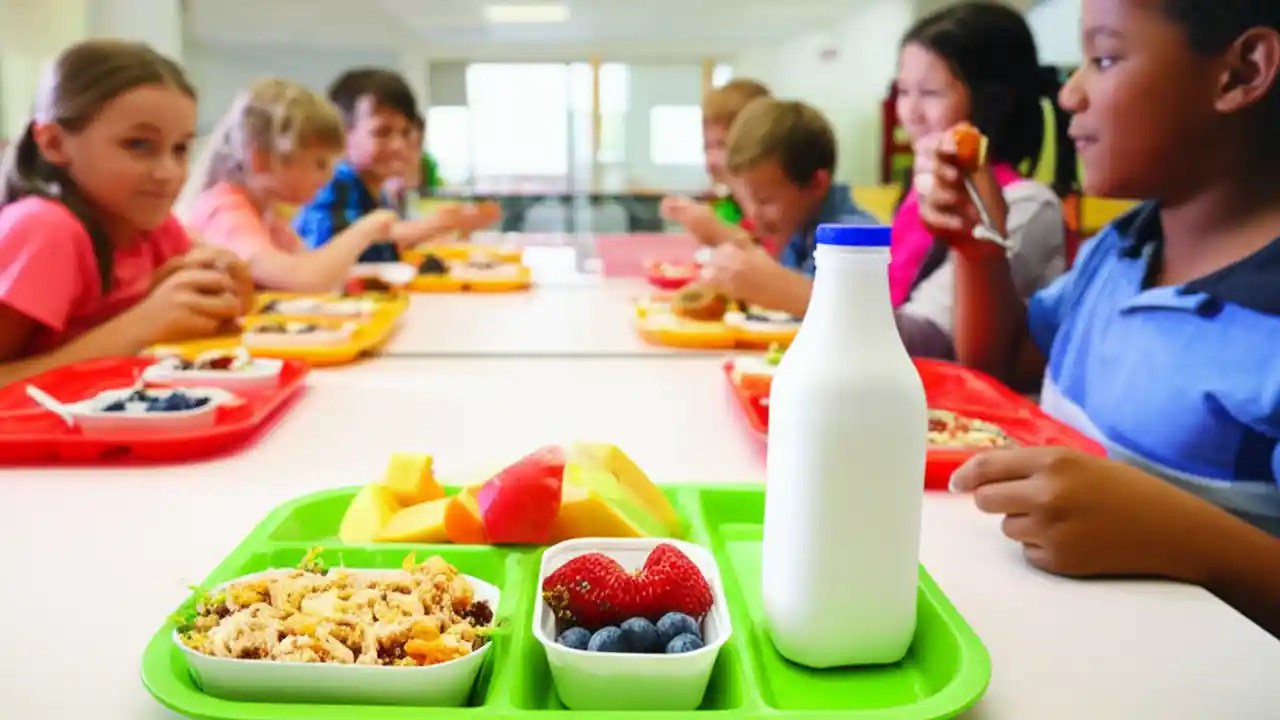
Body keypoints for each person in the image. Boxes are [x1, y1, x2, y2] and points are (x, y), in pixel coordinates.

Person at [928, 0, 1280, 637]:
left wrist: (1178, 533)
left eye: (1106, 58)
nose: (1068, 94)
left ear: (1240, 73)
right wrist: (979, 252)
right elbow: (1000, 368)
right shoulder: (1120, 249)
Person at [0, 40, 251, 388]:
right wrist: (140, 323)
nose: (168, 172)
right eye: (138, 145)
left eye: (180, 149)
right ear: (54, 144)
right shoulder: (45, 228)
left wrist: (217, 294)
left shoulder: (153, 227)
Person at [891, 1, 1074, 357]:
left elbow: (932, 340)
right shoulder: (918, 195)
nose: (910, 114)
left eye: (930, 94)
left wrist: (787, 291)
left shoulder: (1026, 206)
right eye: (902, 91)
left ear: (991, 103)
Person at [186, 78, 409, 292]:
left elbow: (314, 266)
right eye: (320, 163)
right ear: (261, 159)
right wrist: (364, 231)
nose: (329, 176)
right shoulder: (225, 212)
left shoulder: (267, 215)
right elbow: (304, 280)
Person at [698, 99, 878, 311]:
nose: (754, 214)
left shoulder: (854, 239)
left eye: (765, 200)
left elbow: (854, 313)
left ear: (817, 184)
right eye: (748, 200)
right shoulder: (799, 231)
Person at [291, 68, 468, 262]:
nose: (398, 145)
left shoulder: (377, 190)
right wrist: (436, 224)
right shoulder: (335, 183)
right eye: (382, 132)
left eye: (405, 132)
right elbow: (338, 249)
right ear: (341, 133)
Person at [661, 78, 772, 245]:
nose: (711, 160)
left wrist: (716, 231)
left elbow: (774, 260)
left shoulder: (777, 201)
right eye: (707, 146)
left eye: (722, 145)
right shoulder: (729, 201)